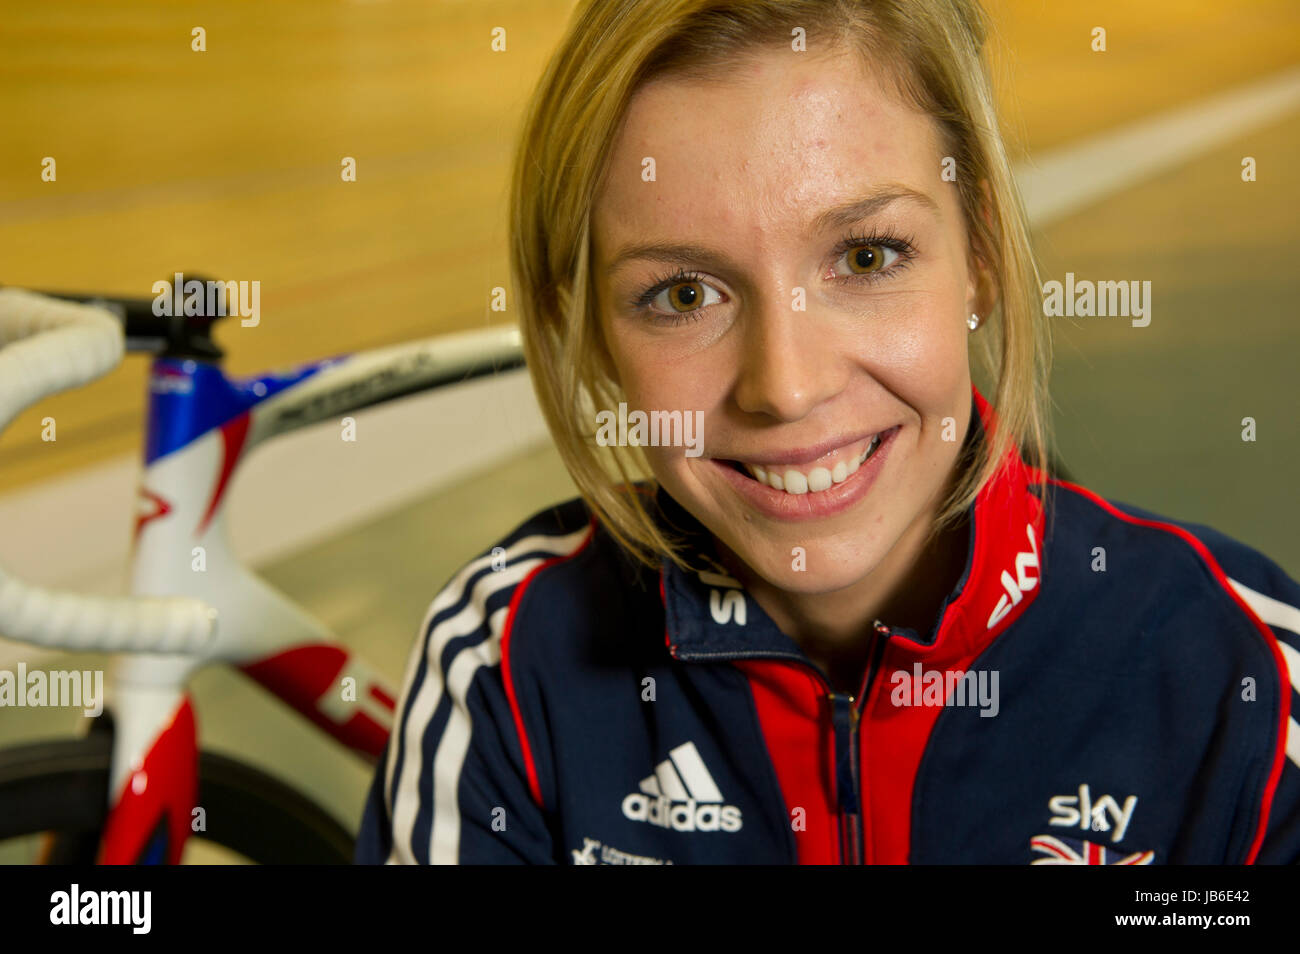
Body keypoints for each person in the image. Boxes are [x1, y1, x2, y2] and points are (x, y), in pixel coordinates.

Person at [356, 0, 1300, 864]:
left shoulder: (1246, 678)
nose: (787, 386)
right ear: (589, 331)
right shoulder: (502, 668)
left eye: (865, 256)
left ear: (980, 254)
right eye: (683, 294)